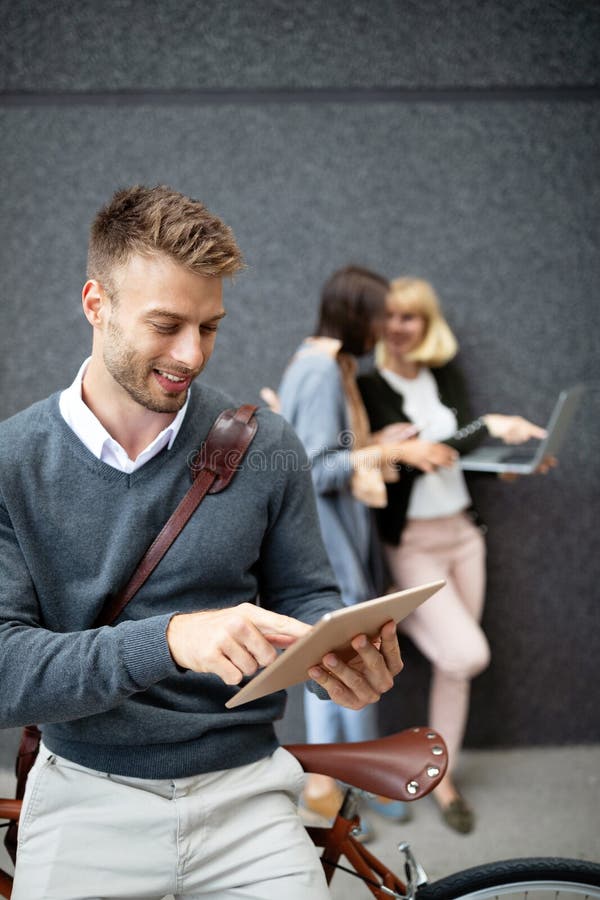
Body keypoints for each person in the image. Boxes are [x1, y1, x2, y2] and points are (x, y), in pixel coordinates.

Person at [0, 186, 404, 900]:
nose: (192, 355)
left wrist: (335, 650)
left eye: (209, 327)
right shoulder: (13, 462)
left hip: (247, 794)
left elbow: (306, 594)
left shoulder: (268, 446)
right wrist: (173, 638)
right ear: (96, 304)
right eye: (167, 325)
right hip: (86, 797)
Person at [357, 276, 549, 834]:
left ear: (426, 324)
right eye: (389, 316)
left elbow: (457, 441)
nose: (398, 327)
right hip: (413, 540)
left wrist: (502, 457)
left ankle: (442, 781)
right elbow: (397, 453)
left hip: (465, 534)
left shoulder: (444, 374)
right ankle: (398, 610)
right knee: (467, 654)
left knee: (454, 668)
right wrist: (485, 428)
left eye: (410, 317)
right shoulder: (368, 386)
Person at [276, 266, 419, 831]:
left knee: (339, 664)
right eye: (380, 314)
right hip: (329, 551)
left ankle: (345, 786)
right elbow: (308, 470)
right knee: (341, 666)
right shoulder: (319, 371)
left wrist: (372, 444)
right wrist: (377, 458)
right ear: (357, 315)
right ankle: (338, 787)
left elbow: (330, 449)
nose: (386, 326)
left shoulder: (329, 363)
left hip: (338, 547)